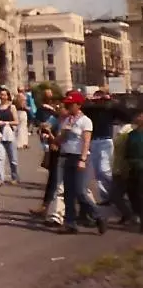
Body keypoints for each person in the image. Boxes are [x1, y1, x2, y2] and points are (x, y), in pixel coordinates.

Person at [56, 90, 106, 235]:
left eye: (71, 105)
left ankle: (98, 216)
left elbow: (86, 141)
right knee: (68, 193)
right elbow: (60, 140)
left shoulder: (85, 121)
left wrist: (83, 159)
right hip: (67, 156)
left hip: (80, 157)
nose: (68, 107)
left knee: (80, 191)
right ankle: (70, 223)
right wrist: (61, 133)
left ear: (78, 105)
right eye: (67, 104)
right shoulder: (67, 120)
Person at [84, 91, 120, 205]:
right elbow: (84, 107)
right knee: (98, 172)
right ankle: (106, 197)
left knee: (104, 170)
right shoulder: (92, 110)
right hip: (94, 141)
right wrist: (89, 99)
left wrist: (110, 100)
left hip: (106, 140)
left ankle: (116, 192)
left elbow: (122, 111)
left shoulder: (110, 109)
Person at [0, 87, 19, 185]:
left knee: (13, 158)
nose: (2, 96)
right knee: (0, 158)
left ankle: (14, 176)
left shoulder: (12, 107)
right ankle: (0, 178)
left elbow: (16, 122)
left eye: (4, 95)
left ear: (8, 96)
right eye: (1, 95)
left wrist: (5, 123)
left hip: (10, 134)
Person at [123, 108, 143, 233]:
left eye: (140, 116)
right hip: (132, 167)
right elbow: (127, 152)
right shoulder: (132, 134)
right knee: (133, 194)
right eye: (138, 116)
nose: (138, 118)